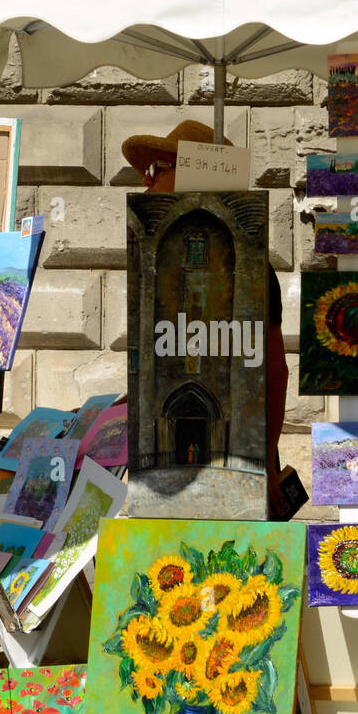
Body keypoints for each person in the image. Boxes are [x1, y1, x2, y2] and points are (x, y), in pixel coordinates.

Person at [120, 120, 289, 518]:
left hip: (242, 463)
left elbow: (275, 371)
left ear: (192, 171)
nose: (147, 184)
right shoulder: (157, 261)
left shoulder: (249, 266)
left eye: (156, 170)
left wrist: (261, 468)